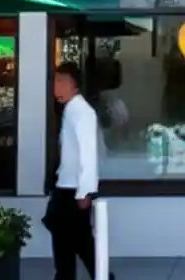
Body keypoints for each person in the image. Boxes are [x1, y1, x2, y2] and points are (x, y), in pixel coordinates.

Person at [45, 62, 114, 280]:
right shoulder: (71, 110)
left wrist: (85, 191)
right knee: (72, 240)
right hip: (66, 185)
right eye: (55, 81)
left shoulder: (82, 111)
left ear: (74, 85)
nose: (57, 87)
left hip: (74, 188)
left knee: (75, 241)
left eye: (61, 81)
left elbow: (89, 152)